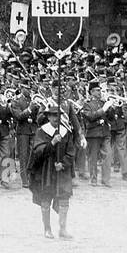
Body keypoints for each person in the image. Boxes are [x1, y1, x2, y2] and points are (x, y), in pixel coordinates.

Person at [29, 101, 77, 239]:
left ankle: (62, 229)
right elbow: (37, 151)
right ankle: (47, 229)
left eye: (58, 116)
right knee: (46, 198)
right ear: (48, 117)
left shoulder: (65, 132)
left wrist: (63, 164)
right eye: (53, 116)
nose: (56, 118)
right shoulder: (41, 131)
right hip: (46, 170)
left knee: (64, 198)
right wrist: (52, 143)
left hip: (62, 170)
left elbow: (71, 151)